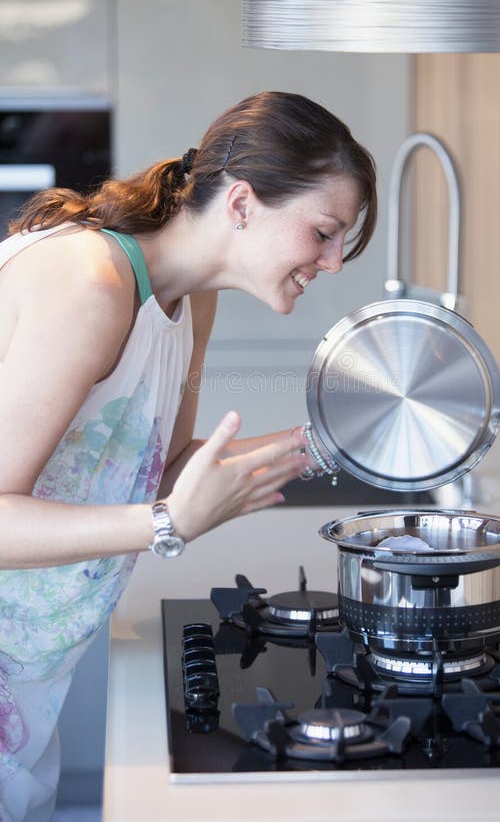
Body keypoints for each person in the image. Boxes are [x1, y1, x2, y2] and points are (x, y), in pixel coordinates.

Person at [0, 91, 377, 820]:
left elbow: (160, 468)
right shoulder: (90, 285)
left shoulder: (186, 301)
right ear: (241, 203)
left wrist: (331, 441)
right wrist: (167, 523)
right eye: (324, 233)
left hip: (26, 685)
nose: (332, 262)